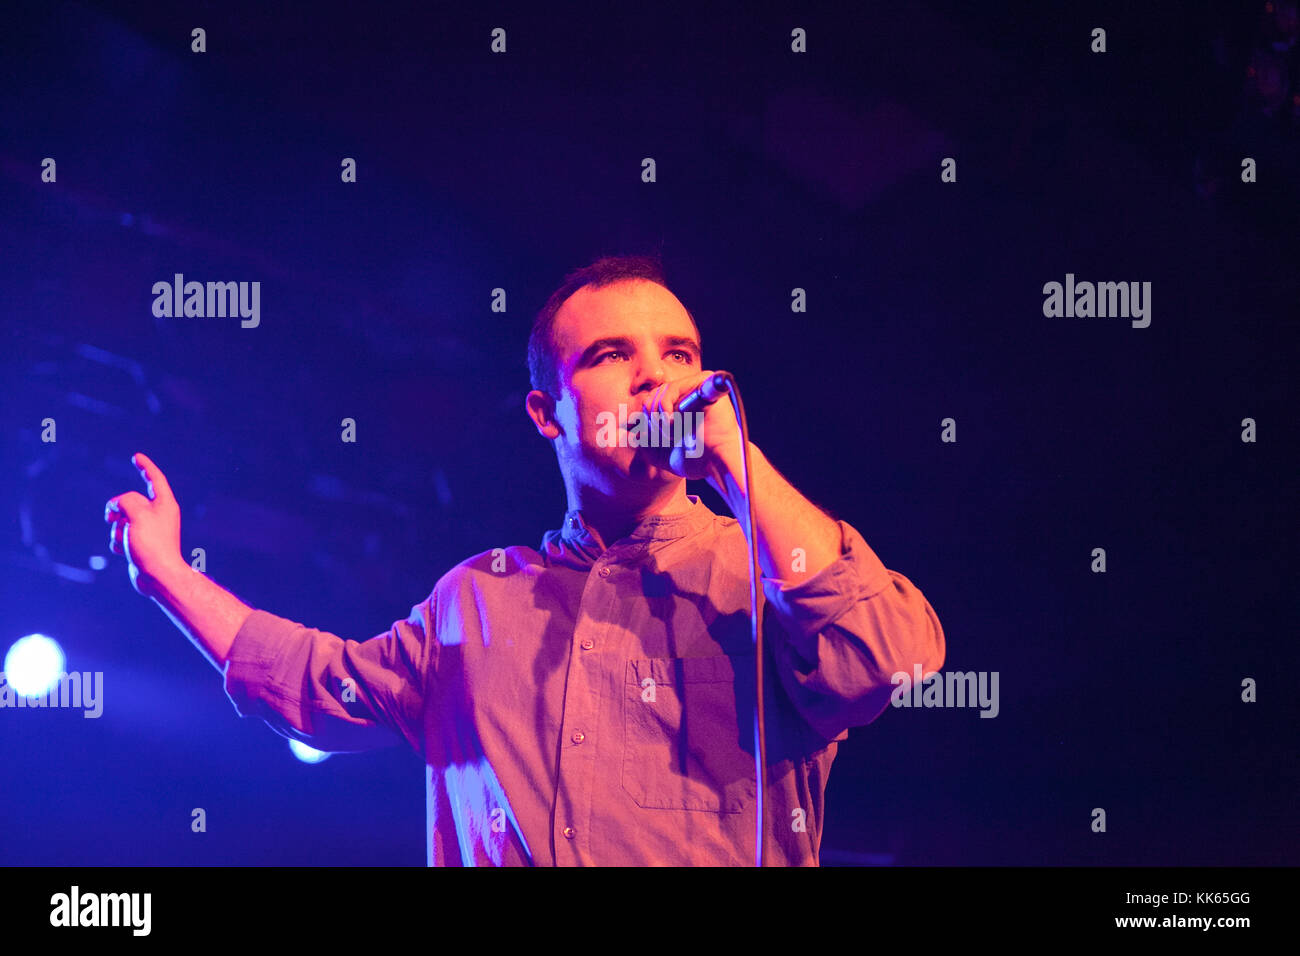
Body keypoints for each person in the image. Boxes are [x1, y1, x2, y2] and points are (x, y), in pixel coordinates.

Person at [104, 254, 945, 866]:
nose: (656, 376)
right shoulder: (476, 599)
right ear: (548, 414)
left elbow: (887, 661)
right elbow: (320, 690)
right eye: (613, 356)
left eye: (679, 354)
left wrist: (737, 466)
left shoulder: (763, 577)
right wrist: (169, 576)